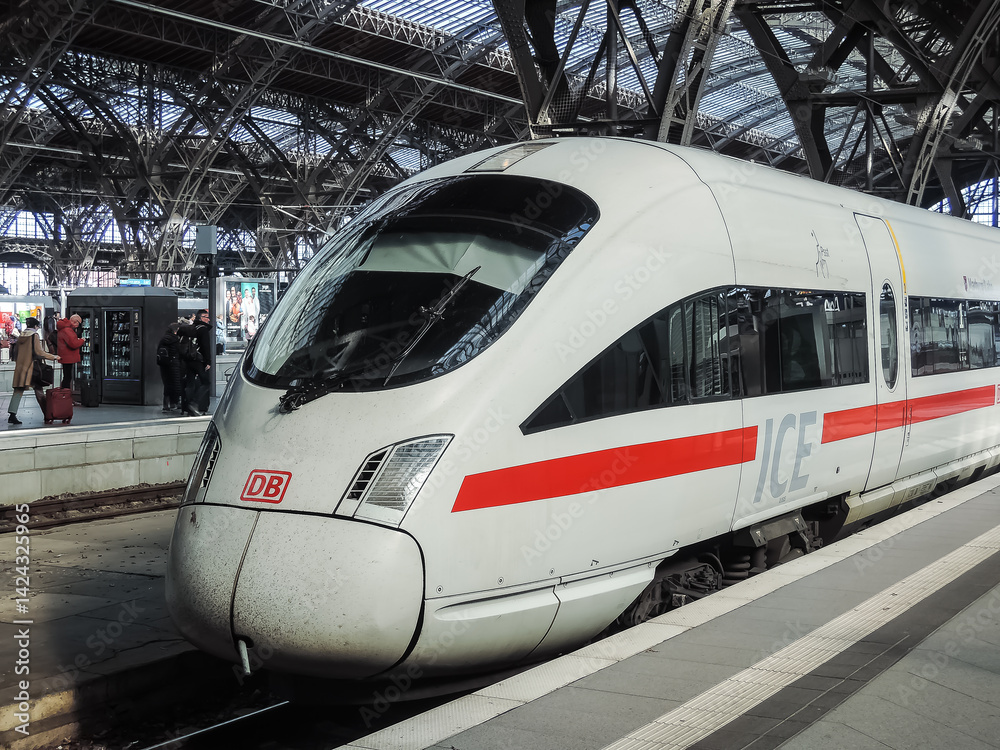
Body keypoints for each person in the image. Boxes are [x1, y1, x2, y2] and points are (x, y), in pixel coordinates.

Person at [8, 317, 60, 425]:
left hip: (20, 367)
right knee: (39, 390)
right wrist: (54, 357)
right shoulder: (34, 336)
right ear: (35, 326)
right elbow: (39, 352)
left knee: (18, 390)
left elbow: (16, 352)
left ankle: (12, 415)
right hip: (31, 368)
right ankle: (48, 414)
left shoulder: (21, 335)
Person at [178, 309, 213, 416]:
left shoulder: (191, 328)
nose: (208, 319)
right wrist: (208, 361)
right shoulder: (203, 329)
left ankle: (188, 407)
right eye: (206, 317)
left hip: (188, 359)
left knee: (190, 383)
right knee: (206, 383)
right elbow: (205, 346)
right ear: (201, 318)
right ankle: (194, 403)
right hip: (198, 360)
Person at [156, 323, 184, 413]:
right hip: (173, 364)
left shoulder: (164, 338)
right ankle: (174, 403)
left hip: (164, 364)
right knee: (175, 383)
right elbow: (178, 352)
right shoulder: (175, 340)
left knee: (167, 383)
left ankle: (166, 404)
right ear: (176, 331)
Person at [56, 314, 85, 391]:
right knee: (68, 377)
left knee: (67, 376)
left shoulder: (64, 328)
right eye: (78, 324)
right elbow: (74, 344)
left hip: (65, 356)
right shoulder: (67, 330)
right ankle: (65, 395)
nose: (78, 326)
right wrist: (82, 340)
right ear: (75, 322)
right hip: (68, 357)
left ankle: (64, 394)